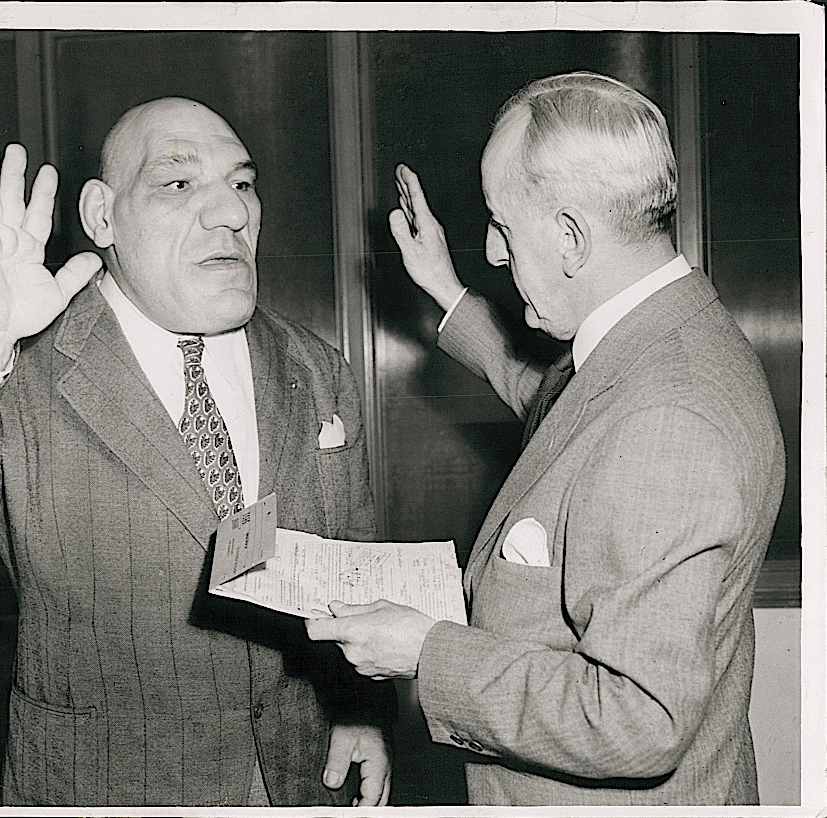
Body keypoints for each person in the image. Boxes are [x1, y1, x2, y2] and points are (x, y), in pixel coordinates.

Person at [0, 97, 392, 807]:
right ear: (102, 216)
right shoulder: (25, 367)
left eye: (242, 183)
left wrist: (358, 707)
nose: (231, 212)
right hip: (107, 786)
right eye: (178, 182)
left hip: (301, 778)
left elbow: (351, 558)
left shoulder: (316, 367)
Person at [307, 71, 786, 806]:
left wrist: (426, 653)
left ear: (569, 236)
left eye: (501, 226)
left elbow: (638, 720)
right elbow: (559, 408)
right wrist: (445, 290)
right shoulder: (666, 338)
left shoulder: (667, 421)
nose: (494, 253)